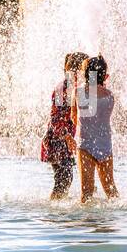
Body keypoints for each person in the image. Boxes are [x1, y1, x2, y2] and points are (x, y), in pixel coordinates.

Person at [72, 54, 118, 203]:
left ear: (86, 74)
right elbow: (103, 117)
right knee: (111, 190)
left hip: (85, 144)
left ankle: (88, 222)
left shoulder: (78, 93)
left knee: (86, 193)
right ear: (104, 75)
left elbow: (74, 119)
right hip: (105, 144)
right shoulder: (109, 95)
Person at [41, 52, 85, 200]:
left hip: (65, 139)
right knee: (64, 179)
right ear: (75, 70)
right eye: (84, 69)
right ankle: (55, 211)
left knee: (65, 178)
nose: (87, 72)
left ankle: (57, 208)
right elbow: (55, 119)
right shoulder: (61, 89)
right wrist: (67, 137)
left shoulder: (78, 86)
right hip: (56, 139)